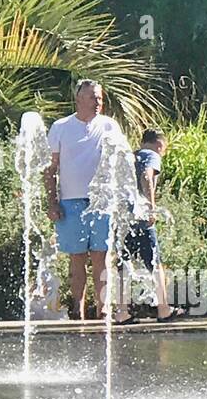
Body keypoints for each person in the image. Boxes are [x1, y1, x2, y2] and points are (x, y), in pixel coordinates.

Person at [44, 79, 123, 320]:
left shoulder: (109, 125)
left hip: (102, 201)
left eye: (99, 97)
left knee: (102, 255)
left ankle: (103, 310)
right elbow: (50, 168)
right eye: (92, 97)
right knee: (77, 258)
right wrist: (52, 201)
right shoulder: (61, 127)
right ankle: (77, 311)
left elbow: (123, 163)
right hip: (70, 202)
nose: (98, 102)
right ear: (78, 99)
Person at [123, 130, 186, 322]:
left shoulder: (132, 155)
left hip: (124, 216)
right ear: (160, 145)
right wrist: (151, 207)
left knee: (124, 262)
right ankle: (163, 308)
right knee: (155, 263)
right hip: (141, 216)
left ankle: (121, 311)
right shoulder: (152, 155)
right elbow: (147, 176)